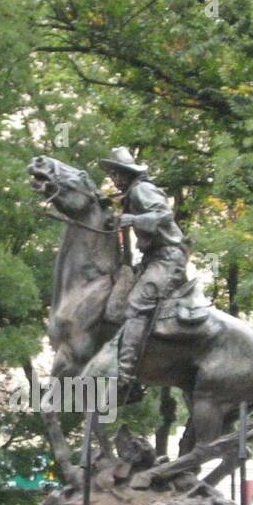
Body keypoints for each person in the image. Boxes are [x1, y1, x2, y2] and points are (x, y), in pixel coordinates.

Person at [96, 147, 189, 396]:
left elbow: (164, 215)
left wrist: (134, 220)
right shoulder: (130, 194)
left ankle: (126, 379)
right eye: (112, 174)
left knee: (137, 305)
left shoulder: (142, 190)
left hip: (168, 258)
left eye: (117, 173)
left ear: (127, 173)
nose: (114, 178)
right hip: (153, 258)